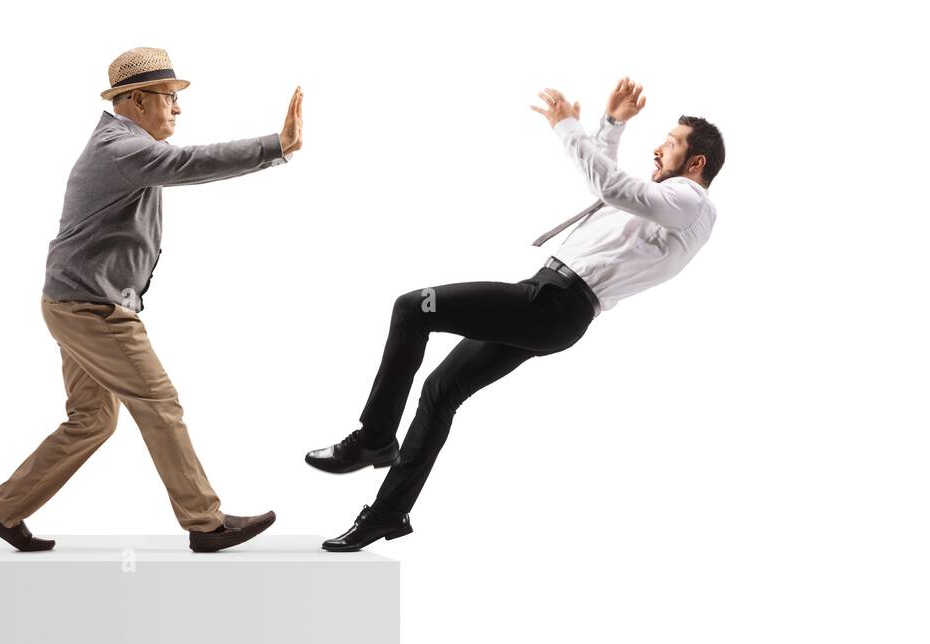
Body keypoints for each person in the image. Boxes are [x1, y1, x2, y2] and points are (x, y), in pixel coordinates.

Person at [306, 77, 724, 551]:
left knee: (411, 308)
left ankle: (374, 436)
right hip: (547, 303)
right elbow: (611, 185)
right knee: (440, 392)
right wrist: (611, 124)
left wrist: (567, 126)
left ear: (696, 162)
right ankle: (386, 515)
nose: (657, 149)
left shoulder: (691, 202)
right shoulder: (667, 204)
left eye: (669, 144)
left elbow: (610, 183)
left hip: (554, 304)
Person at [0, 48, 303, 553]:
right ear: (134, 99)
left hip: (71, 301)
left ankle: (2, 509)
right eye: (169, 98)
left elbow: (175, 166)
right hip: (92, 308)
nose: (178, 108)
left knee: (92, 419)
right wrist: (274, 146)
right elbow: (189, 163)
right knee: (160, 402)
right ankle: (205, 522)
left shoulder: (125, 144)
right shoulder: (119, 147)